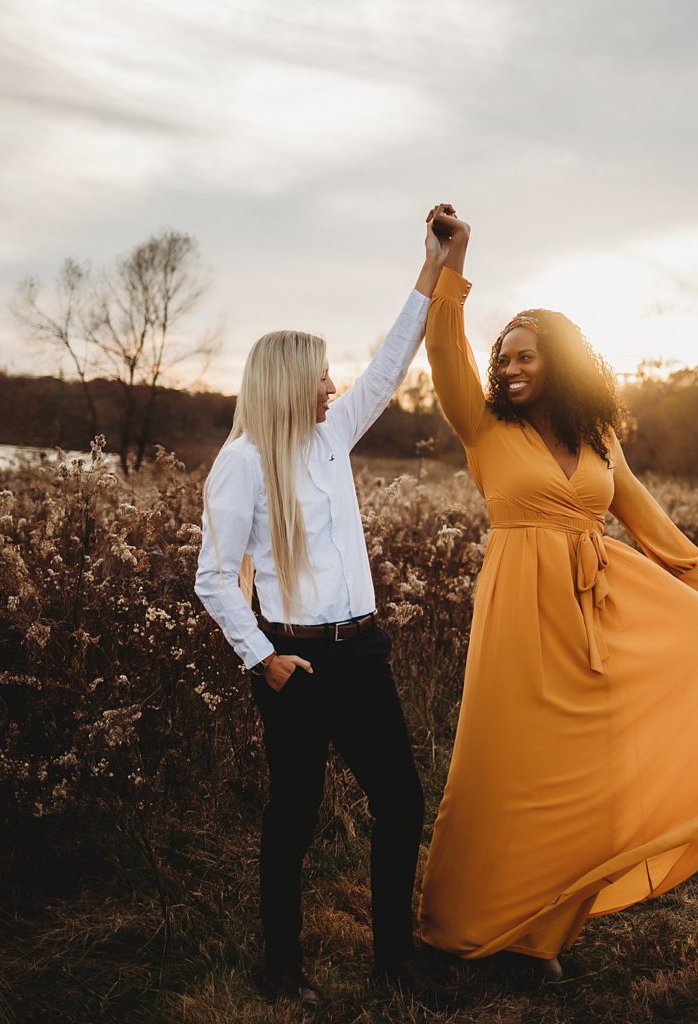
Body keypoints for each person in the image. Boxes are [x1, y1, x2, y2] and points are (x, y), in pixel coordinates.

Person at [416, 207, 698, 976]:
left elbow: (640, 511)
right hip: (517, 611)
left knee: (589, 777)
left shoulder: (598, 439)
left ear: (562, 364)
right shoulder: (482, 428)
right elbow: (443, 347)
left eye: (525, 356)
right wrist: (451, 261)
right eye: (502, 356)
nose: (507, 367)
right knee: (499, 768)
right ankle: (458, 931)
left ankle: (540, 934)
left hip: (597, 611)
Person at [194, 207, 451, 1006]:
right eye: (320, 375)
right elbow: (212, 576)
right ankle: (280, 968)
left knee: (403, 802)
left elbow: (390, 364)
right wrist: (262, 659)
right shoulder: (239, 465)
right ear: (285, 382)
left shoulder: (334, 435)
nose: (335, 384)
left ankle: (393, 961)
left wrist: (435, 263)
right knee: (295, 816)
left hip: (361, 651)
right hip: (295, 662)